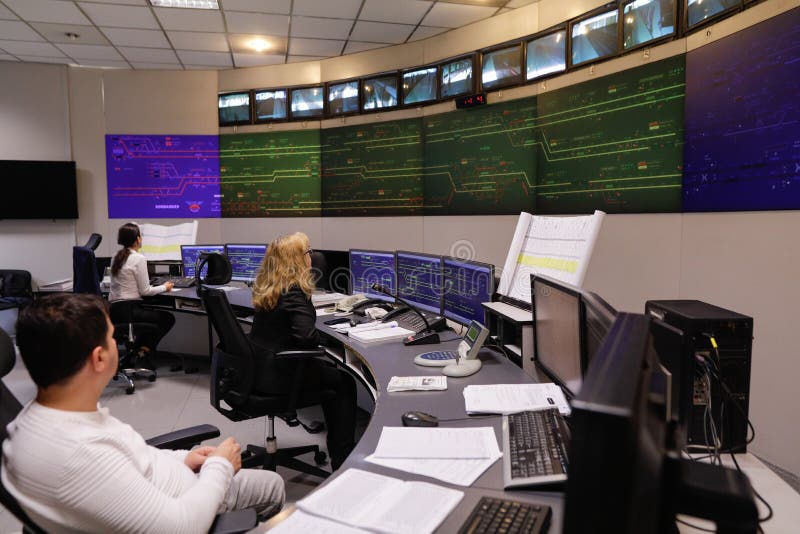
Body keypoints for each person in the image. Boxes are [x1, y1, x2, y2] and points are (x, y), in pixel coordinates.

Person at [1, 293, 285, 533]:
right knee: (272, 485)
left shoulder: (36, 417)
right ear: (99, 358)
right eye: (113, 337)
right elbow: (183, 526)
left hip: (168, 480)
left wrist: (182, 458)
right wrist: (220, 466)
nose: (118, 345)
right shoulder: (80, 455)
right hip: (188, 503)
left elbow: (128, 460)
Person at [249, 232, 357, 470]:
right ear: (296, 259)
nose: (312, 256)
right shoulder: (295, 289)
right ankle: (342, 458)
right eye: (308, 252)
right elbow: (306, 338)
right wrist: (339, 337)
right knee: (344, 382)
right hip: (279, 376)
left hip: (259, 369)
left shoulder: (270, 285)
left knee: (333, 374)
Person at [109, 222, 176, 364]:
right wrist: (165, 287)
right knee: (167, 319)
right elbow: (145, 291)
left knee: (152, 321)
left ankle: (139, 351)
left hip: (115, 311)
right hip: (130, 310)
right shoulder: (139, 258)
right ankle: (144, 351)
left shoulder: (116, 257)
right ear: (138, 239)